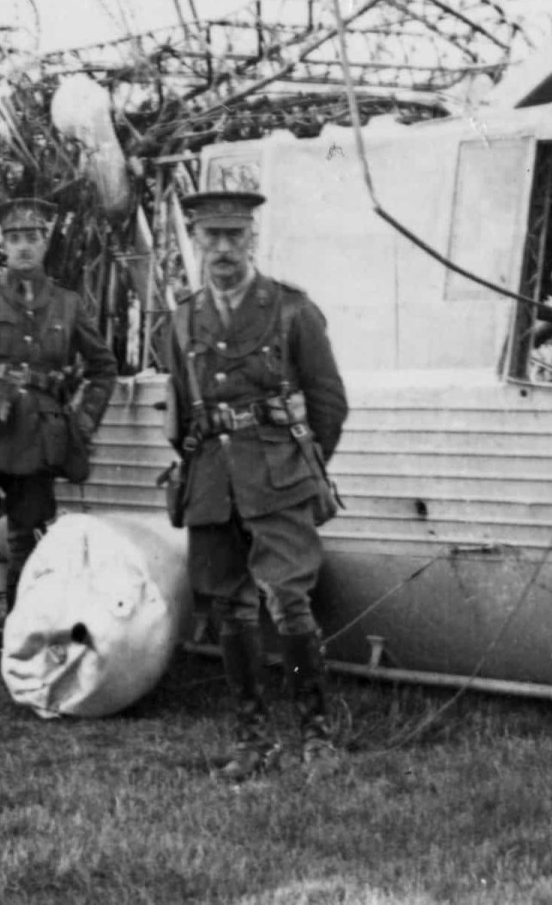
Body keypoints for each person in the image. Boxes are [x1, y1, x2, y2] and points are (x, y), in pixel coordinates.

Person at [164, 190, 348, 780]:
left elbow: (328, 402)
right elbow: (181, 407)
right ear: (196, 241)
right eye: (211, 237)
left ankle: (316, 736)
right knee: (229, 607)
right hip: (212, 480)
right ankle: (253, 740)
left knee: (289, 601)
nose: (223, 249)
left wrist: (297, 464)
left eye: (234, 236)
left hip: (278, 477)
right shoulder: (183, 318)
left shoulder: (292, 311)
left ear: (253, 239)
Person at [0, 197, 117, 677]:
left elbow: (103, 368)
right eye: (14, 239)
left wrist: (82, 424)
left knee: (26, 539)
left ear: (44, 242)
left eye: (32, 238)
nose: (23, 247)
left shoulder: (68, 303)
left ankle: (15, 644)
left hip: (38, 437)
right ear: (3, 245)